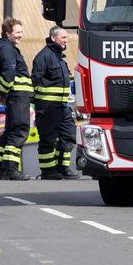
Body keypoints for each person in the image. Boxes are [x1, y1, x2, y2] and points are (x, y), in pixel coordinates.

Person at [32, 26, 79, 180]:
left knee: (70, 135)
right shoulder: (43, 57)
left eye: (66, 37)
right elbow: (34, 82)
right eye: (63, 37)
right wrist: (41, 103)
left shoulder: (59, 57)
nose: (66, 40)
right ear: (53, 38)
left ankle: (62, 167)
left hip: (63, 107)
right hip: (48, 108)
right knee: (48, 139)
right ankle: (48, 171)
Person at [0, 18, 33, 180]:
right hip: (18, 95)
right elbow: (8, 74)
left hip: (13, 95)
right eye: (18, 32)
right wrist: (2, 93)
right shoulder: (8, 50)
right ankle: (11, 169)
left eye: (21, 32)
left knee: (10, 130)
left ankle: (2, 168)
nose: (21, 36)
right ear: (8, 33)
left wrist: (1, 93)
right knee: (20, 130)